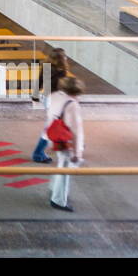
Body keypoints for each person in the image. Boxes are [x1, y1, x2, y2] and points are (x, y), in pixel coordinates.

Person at [46, 75, 85, 212]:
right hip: (65, 139)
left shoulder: (55, 95)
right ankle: (58, 200)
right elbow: (77, 130)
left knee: (61, 163)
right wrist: (78, 152)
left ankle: (54, 188)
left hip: (54, 134)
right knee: (66, 167)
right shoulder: (72, 105)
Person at [32, 49, 72, 163]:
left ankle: (62, 145)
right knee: (50, 127)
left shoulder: (46, 66)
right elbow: (61, 88)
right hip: (55, 100)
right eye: (65, 57)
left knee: (56, 124)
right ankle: (37, 154)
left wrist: (35, 95)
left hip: (47, 98)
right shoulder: (62, 71)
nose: (66, 58)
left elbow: (39, 81)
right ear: (61, 59)